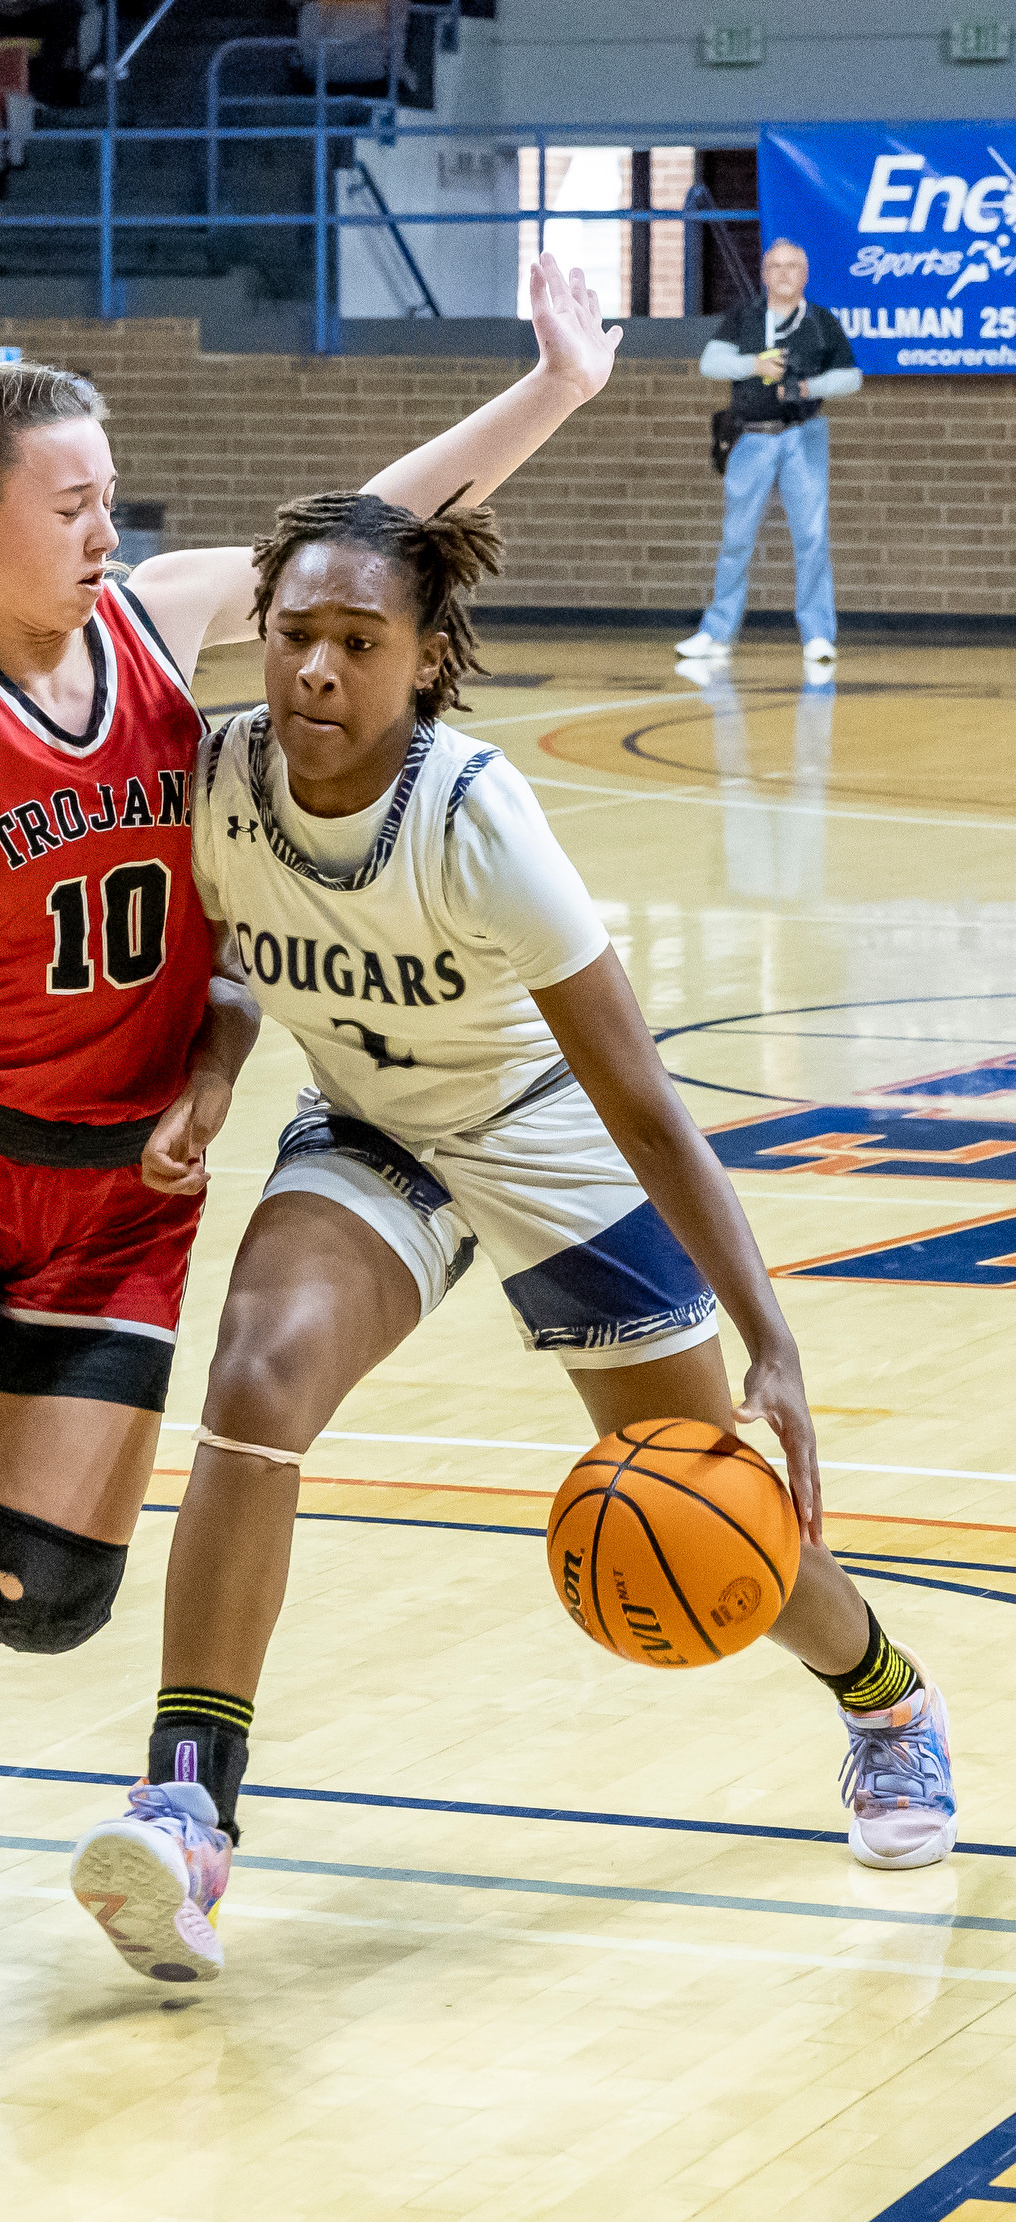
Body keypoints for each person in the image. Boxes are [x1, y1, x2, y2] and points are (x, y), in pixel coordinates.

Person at [0, 111, 619, 1925]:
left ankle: (13, 1586)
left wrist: (552, 385)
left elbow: (368, 543)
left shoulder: (154, 626)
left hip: (123, 1189)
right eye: (70, 502)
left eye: (106, 494)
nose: (107, 522)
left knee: (43, 1601)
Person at [70, 487, 958, 1985]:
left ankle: (882, 1696)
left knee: (705, 1506)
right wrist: (217, 1072)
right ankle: (187, 1815)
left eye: (358, 642)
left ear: (424, 657)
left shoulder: (474, 818)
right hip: (366, 1123)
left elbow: (646, 1102)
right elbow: (227, 948)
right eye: (293, 637)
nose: (315, 673)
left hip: (546, 1132)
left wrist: (776, 1339)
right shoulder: (220, 777)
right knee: (253, 1379)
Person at [677, 239, 862, 668]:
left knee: (812, 537)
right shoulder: (744, 317)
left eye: (792, 266)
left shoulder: (820, 322)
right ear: (763, 273)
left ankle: (818, 635)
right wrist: (753, 366)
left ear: (806, 274)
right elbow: (709, 362)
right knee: (736, 537)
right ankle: (716, 632)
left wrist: (810, 387)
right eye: (774, 266)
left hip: (804, 434)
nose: (782, 274)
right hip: (752, 436)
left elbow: (851, 376)